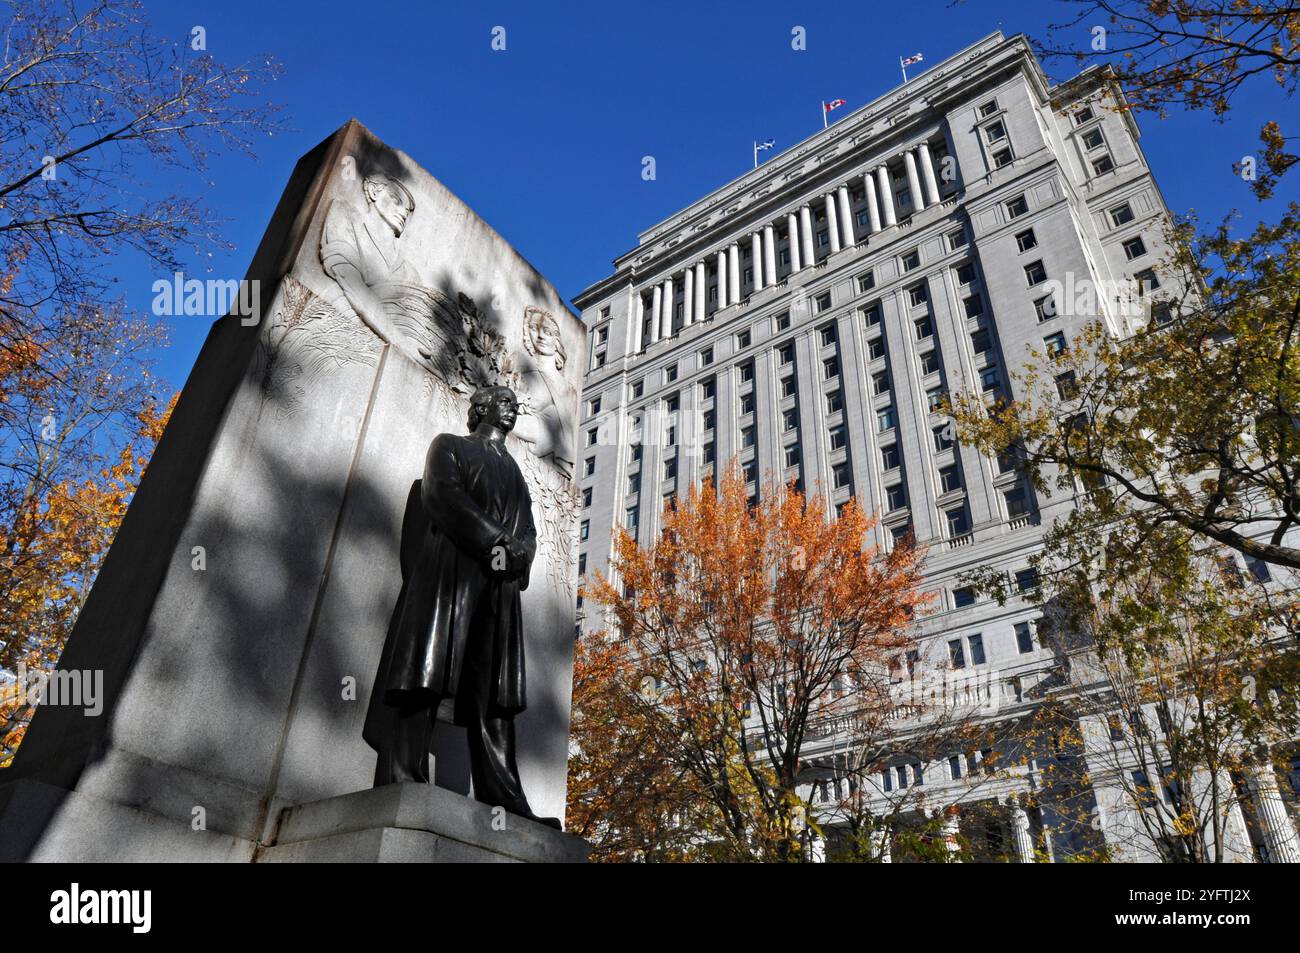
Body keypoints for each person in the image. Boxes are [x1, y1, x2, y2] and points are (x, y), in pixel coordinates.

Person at [362, 385, 559, 829]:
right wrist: (498, 541)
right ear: (480, 408)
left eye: (513, 402)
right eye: (501, 399)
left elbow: (529, 530)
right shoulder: (449, 447)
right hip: (451, 573)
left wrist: (518, 554)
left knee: (496, 695)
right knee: (427, 672)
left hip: (500, 587)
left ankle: (506, 798)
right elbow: (443, 497)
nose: (511, 406)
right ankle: (403, 773)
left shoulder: (516, 473)